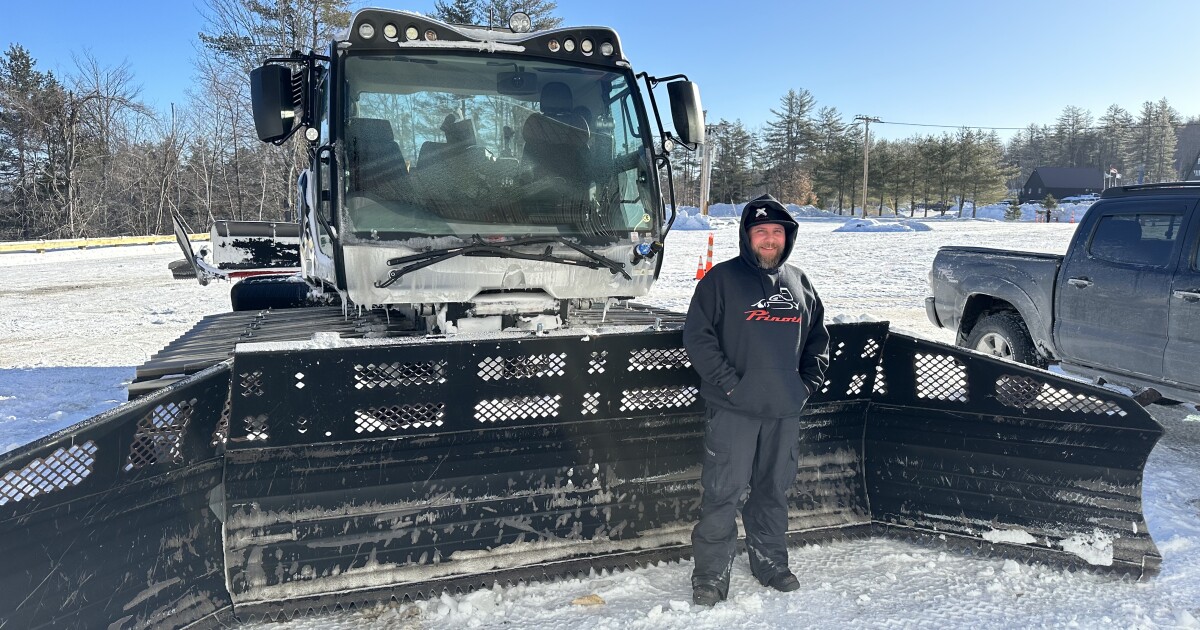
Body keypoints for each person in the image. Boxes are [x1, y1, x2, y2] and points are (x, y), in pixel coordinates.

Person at [683, 193, 830, 607]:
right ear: (748, 237)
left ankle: (770, 562)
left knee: (773, 490)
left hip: (783, 411)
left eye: (776, 232)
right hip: (733, 409)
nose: (769, 239)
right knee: (723, 491)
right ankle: (711, 573)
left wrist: (803, 387)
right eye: (760, 231)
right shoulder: (720, 280)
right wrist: (731, 384)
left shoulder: (800, 283)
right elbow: (698, 337)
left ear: (788, 237)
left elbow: (818, 342)